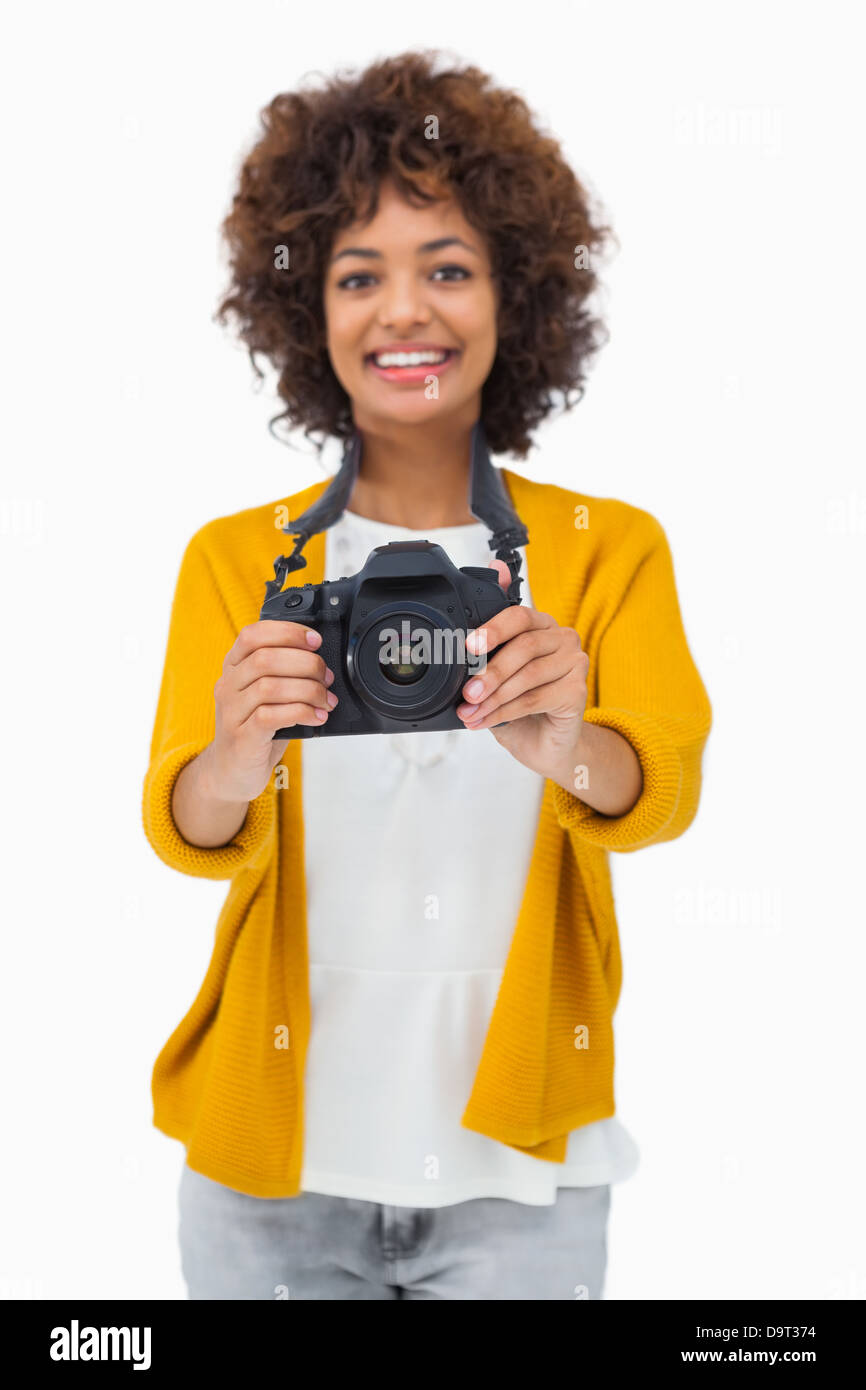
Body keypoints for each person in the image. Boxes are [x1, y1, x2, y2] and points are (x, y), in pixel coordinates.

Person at [142, 50, 712, 1301]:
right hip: (268, 1171)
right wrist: (236, 756)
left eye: (448, 268)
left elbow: (659, 788)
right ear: (305, 313)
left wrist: (568, 735)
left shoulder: (604, 548)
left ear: (515, 295)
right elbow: (184, 822)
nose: (404, 311)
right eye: (357, 277)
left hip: (518, 1168)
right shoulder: (242, 559)